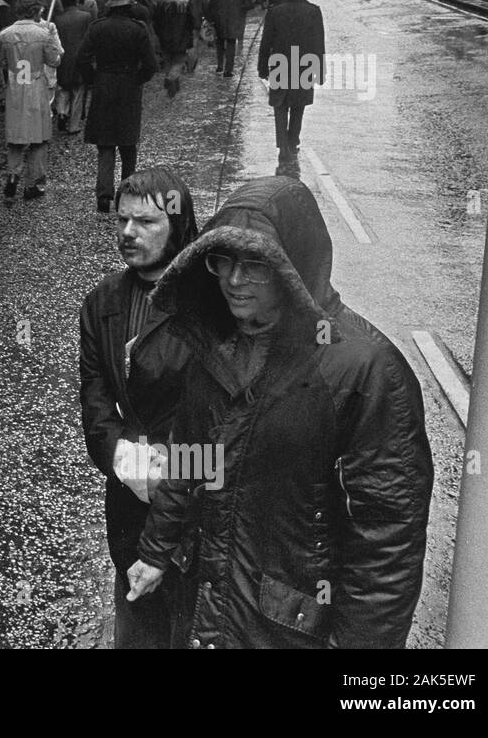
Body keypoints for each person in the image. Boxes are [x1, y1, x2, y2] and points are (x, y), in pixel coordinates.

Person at [124, 177, 434, 649]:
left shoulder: (363, 370)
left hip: (294, 630)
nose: (233, 279)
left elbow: (386, 540)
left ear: (293, 267)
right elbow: (190, 458)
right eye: (222, 260)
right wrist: (156, 551)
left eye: (256, 265)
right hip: (210, 611)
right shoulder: (213, 342)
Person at [79, 168, 198, 647]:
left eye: (145, 222)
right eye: (122, 221)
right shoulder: (102, 301)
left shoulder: (208, 302)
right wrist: (129, 464)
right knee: (136, 613)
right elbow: (95, 398)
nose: (128, 233)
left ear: (177, 224)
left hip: (195, 494)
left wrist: (172, 469)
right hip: (130, 497)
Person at [78, 0, 159, 213]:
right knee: (127, 142)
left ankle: (104, 196)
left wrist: (93, 79)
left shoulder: (97, 28)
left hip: (103, 85)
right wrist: (137, 80)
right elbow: (151, 65)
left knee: (105, 143)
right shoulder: (138, 29)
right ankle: (127, 191)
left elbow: (81, 58)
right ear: (128, 7)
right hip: (129, 87)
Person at [258, 0, 323, 180]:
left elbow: (266, 42)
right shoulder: (314, 11)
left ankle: (283, 146)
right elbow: (318, 44)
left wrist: (262, 67)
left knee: (280, 105)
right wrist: (320, 70)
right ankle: (293, 141)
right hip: (305, 64)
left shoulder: (275, 12)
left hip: (279, 63)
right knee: (298, 106)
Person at [0, 0, 63, 202]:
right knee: (38, 138)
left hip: (15, 87)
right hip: (35, 87)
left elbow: (1, 61)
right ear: (36, 11)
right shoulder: (43, 34)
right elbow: (54, 61)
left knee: (16, 139)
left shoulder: (5, 34)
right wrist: (52, 39)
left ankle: (12, 176)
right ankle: (33, 183)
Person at [53, 0, 93, 135]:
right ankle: (73, 126)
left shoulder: (57, 19)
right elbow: (90, 37)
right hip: (79, 58)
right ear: (76, 2)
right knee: (78, 92)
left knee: (63, 88)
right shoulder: (86, 16)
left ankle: (62, 112)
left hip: (63, 57)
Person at [154, 0, 197, 99]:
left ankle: (172, 82)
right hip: (181, 38)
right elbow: (191, 21)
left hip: (165, 38)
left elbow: (156, 22)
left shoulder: (160, 3)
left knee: (168, 60)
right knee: (179, 61)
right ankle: (172, 78)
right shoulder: (185, 3)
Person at [206, 0, 246, 79]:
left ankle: (219, 65)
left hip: (219, 16)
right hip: (234, 16)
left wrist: (210, 18)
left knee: (219, 41)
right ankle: (228, 69)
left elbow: (212, 2)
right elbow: (243, 1)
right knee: (231, 42)